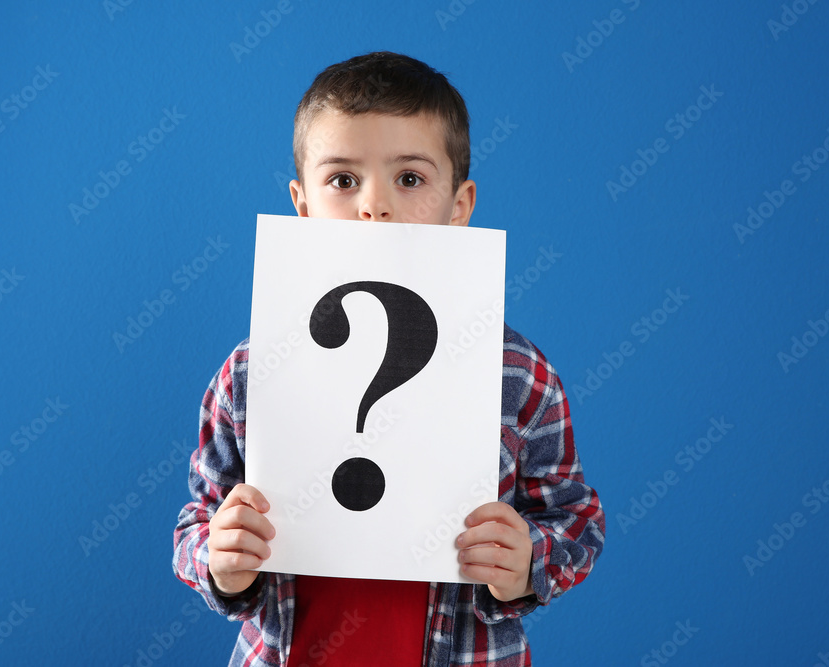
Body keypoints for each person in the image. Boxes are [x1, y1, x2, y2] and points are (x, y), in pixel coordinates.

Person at [173, 51, 605, 667]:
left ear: (459, 205)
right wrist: (219, 560)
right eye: (343, 180)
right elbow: (198, 518)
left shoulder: (518, 376)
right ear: (302, 205)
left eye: (409, 178)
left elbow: (575, 517)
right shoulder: (251, 372)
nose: (373, 205)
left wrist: (530, 562)